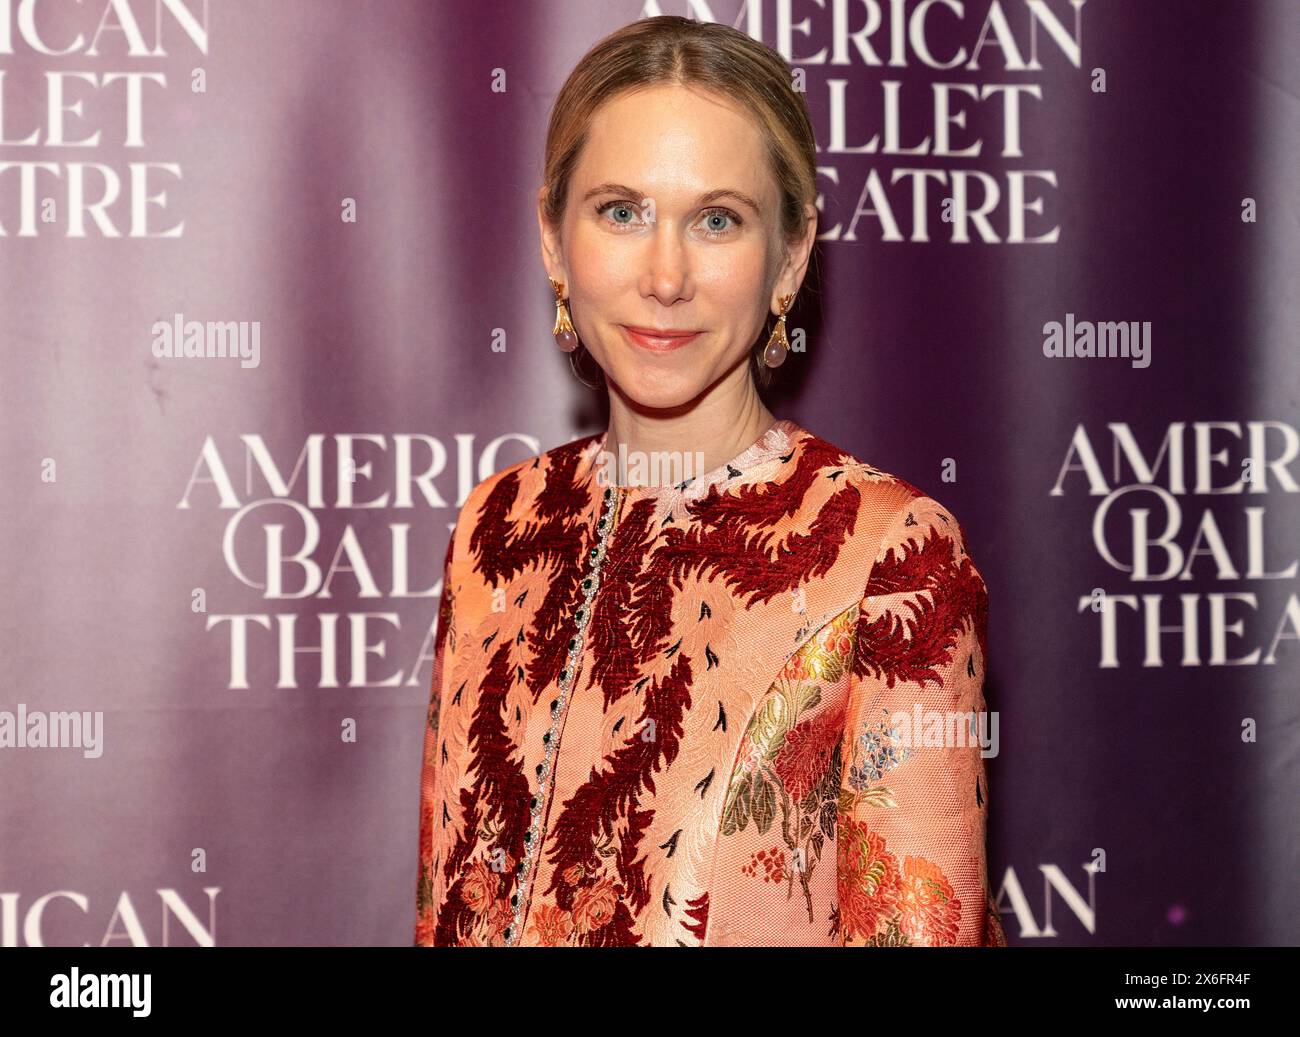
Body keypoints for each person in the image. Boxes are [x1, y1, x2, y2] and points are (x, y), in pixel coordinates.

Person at [414, 14, 1005, 947]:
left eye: (717, 219)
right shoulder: (496, 524)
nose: (665, 274)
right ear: (552, 239)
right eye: (621, 210)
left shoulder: (893, 559)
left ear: (792, 258)